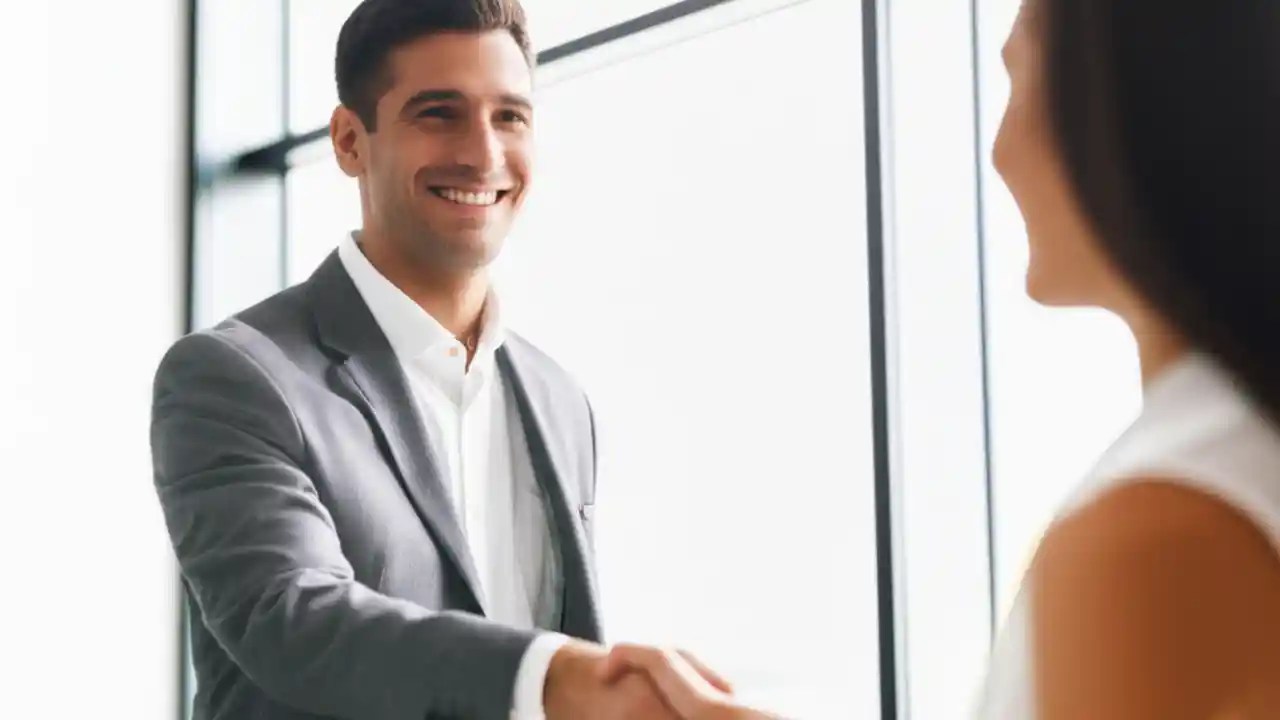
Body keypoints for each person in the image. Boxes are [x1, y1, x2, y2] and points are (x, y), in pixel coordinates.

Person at [607, 0, 1280, 717]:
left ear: (1114, 100)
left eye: (1016, 79)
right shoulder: (1228, 449)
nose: (997, 151)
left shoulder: (1153, 535)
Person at [150, 1, 723, 718]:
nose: (483, 154)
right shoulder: (234, 377)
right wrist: (555, 677)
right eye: (438, 113)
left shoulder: (557, 399)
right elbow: (294, 619)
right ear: (350, 141)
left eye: (509, 116)